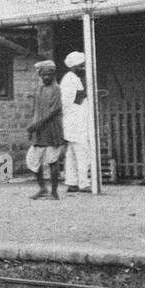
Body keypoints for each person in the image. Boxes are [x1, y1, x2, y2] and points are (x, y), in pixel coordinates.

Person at [26, 60, 65, 200]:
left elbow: (53, 112)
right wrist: (32, 127)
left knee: (52, 161)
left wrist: (36, 125)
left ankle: (54, 192)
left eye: (48, 75)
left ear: (53, 75)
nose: (46, 77)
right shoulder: (39, 90)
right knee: (33, 161)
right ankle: (42, 188)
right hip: (40, 131)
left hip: (52, 129)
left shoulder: (57, 89)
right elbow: (36, 111)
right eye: (43, 75)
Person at [60, 51, 91, 193]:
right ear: (74, 66)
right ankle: (83, 183)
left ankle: (72, 182)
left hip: (75, 121)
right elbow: (71, 100)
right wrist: (86, 94)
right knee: (82, 153)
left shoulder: (73, 78)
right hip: (75, 122)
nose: (83, 68)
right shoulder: (70, 79)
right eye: (81, 66)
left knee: (71, 154)